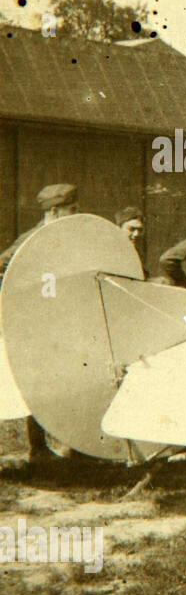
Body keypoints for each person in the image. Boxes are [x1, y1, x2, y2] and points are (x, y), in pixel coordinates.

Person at [0, 183, 80, 464]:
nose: (77, 214)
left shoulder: (70, 240)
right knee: (39, 386)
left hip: (64, 321)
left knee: (73, 382)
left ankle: (76, 446)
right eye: (73, 210)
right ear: (55, 211)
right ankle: (39, 448)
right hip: (37, 325)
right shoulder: (30, 241)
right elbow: (3, 268)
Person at [114, 205, 147, 276]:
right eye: (131, 229)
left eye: (140, 230)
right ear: (118, 228)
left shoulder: (137, 252)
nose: (136, 234)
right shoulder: (110, 253)